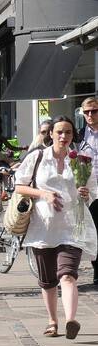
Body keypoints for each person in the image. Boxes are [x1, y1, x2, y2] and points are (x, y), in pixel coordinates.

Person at [13, 117, 98, 339]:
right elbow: (19, 185)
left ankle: (71, 319)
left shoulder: (81, 161)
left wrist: (86, 194)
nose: (64, 136)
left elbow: (92, 189)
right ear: (50, 134)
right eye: (59, 132)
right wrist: (44, 194)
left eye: (68, 132)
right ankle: (52, 321)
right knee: (48, 279)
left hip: (72, 227)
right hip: (43, 227)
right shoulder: (38, 157)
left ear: (72, 135)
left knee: (68, 275)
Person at [77, 97, 98, 286]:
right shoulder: (81, 134)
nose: (90, 115)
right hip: (91, 191)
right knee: (93, 232)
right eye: (87, 112)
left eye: (94, 111)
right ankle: (97, 272)